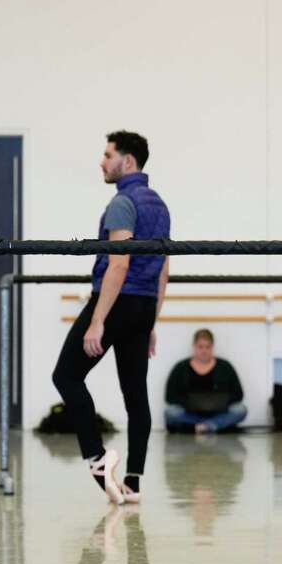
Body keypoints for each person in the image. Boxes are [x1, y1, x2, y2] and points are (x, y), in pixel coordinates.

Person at [52, 130, 170, 505]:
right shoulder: (160, 205)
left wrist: (98, 319)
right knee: (135, 394)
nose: (102, 162)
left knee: (66, 376)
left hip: (118, 302)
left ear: (128, 161)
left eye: (107, 155)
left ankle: (97, 459)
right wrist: (152, 319)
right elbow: (164, 266)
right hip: (142, 306)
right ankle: (133, 482)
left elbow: (119, 263)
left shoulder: (123, 203)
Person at [164, 328, 248, 433]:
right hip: (191, 413)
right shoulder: (181, 367)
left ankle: (204, 426)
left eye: (208, 347)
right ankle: (212, 425)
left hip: (219, 412)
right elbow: (169, 396)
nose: (204, 350)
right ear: (194, 346)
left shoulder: (225, 366)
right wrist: (188, 404)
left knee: (240, 410)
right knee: (170, 412)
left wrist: (221, 403)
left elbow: (238, 394)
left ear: (212, 347)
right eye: (200, 347)